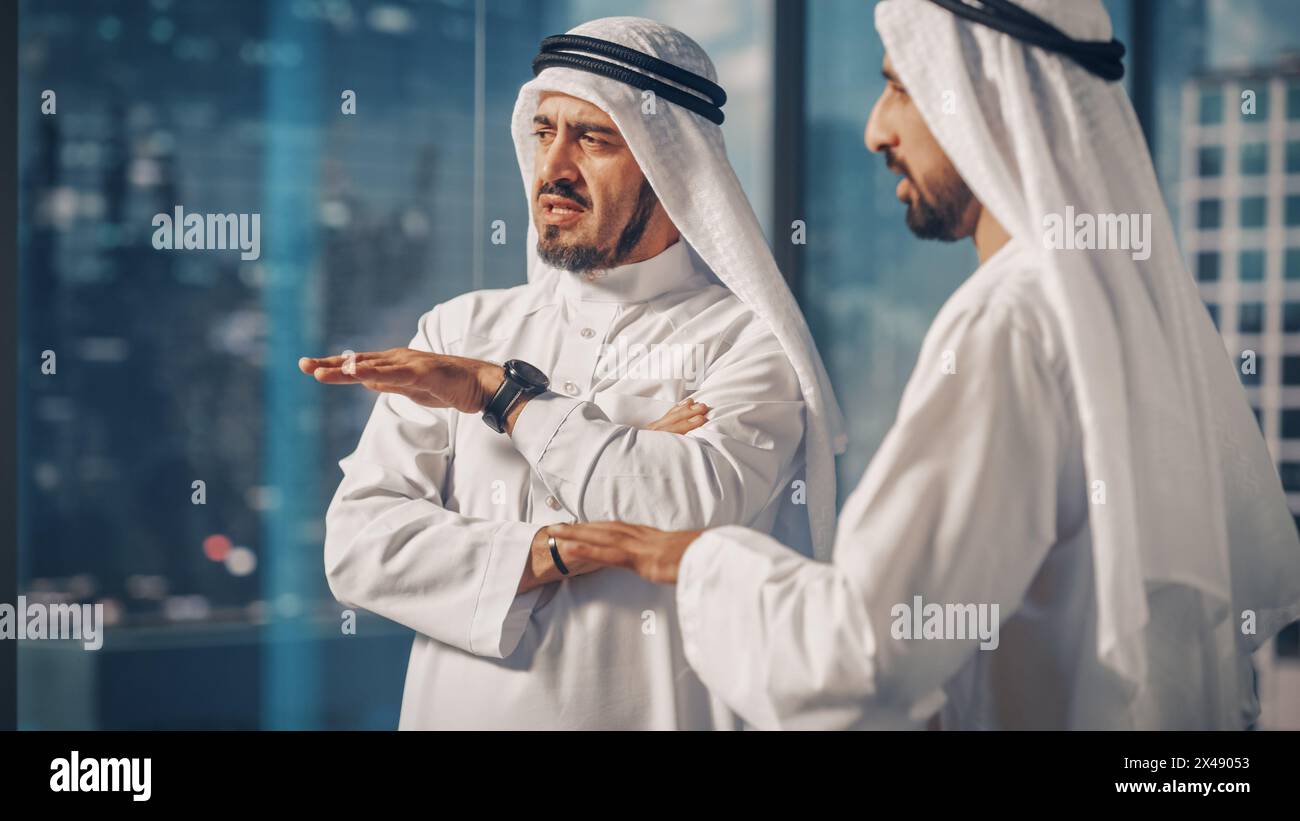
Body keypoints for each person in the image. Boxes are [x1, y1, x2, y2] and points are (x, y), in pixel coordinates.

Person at [552, 0, 1300, 730]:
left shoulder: (1010, 320)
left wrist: (686, 556)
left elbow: (867, 651)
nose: (878, 129)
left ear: (993, 97)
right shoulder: (1127, 310)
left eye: (902, 86)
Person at [297, 16, 846, 730]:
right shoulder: (457, 330)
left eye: (593, 139)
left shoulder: (747, 344)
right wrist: (558, 546)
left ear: (670, 163)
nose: (554, 166)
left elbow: (683, 508)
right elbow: (361, 547)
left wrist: (502, 394)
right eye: (544, 131)